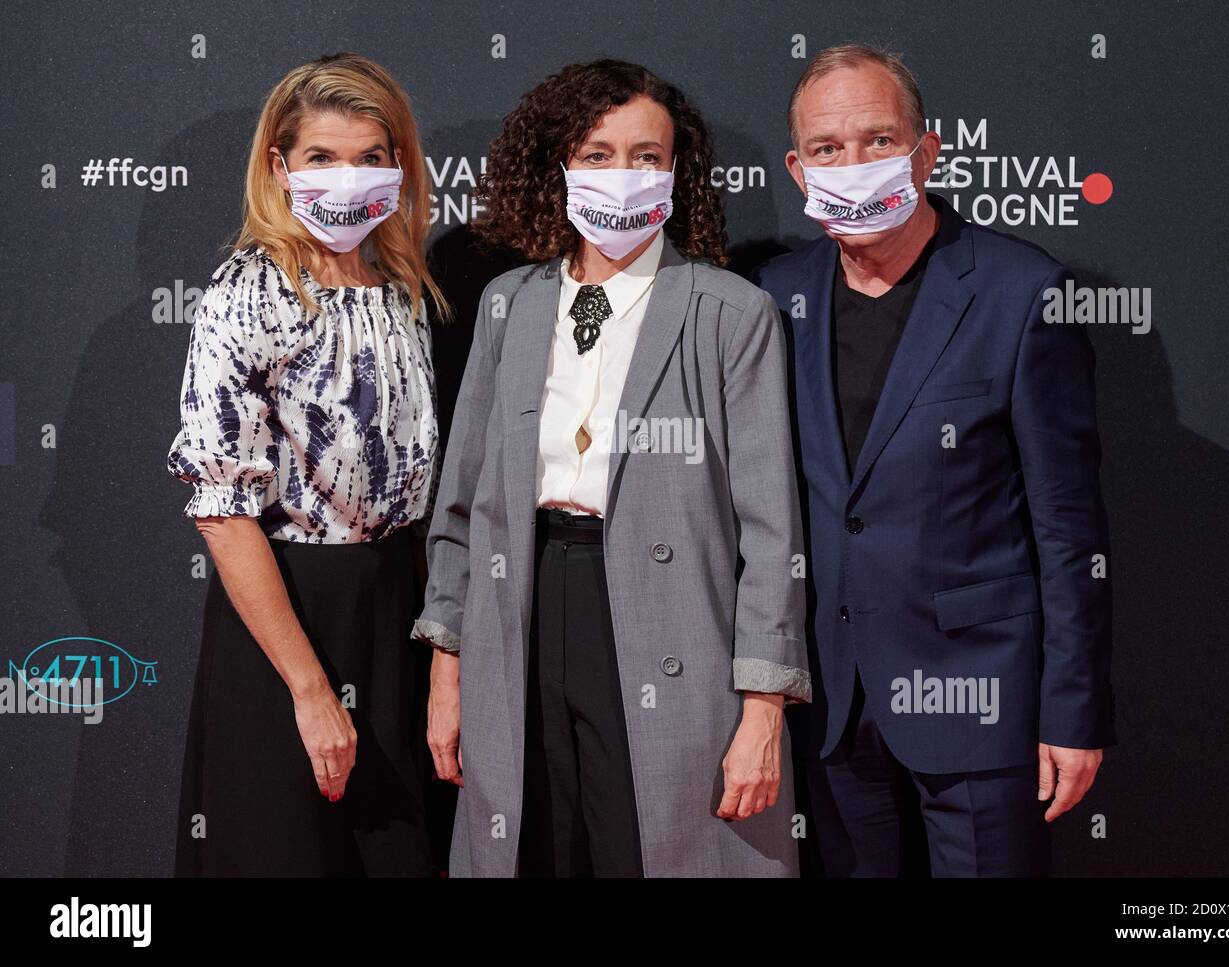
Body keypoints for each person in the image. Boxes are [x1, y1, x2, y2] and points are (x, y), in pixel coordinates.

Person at [412, 59, 809, 877]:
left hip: (668, 621)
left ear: (676, 172)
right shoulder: (508, 305)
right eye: (597, 155)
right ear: (556, 165)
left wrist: (763, 709)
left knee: (651, 845)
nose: (621, 177)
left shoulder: (730, 313)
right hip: (521, 605)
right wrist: (448, 671)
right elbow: (462, 508)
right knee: (538, 846)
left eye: (646, 156)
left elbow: (773, 532)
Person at [754, 43, 1116, 876]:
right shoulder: (774, 295)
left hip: (981, 697)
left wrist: (1073, 709)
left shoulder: (1021, 292)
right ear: (799, 171)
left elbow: (1069, 529)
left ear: (929, 151)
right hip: (833, 700)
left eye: (878, 140)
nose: (853, 164)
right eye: (828, 149)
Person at [165, 52, 446, 876]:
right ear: (279, 167)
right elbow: (222, 508)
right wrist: (311, 689)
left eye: (369, 156)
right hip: (285, 618)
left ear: (399, 167)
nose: (346, 177)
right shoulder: (246, 294)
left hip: (394, 607)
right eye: (322, 157)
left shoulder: (403, 288)